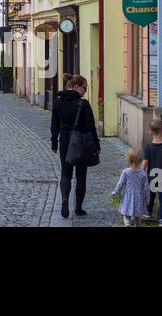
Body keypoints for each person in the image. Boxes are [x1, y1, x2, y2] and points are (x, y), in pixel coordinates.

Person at [49, 74, 99, 218]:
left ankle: (65, 199)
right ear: (76, 86)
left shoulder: (58, 102)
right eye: (85, 88)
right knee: (81, 176)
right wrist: (96, 144)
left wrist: (54, 142)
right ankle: (78, 208)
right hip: (81, 142)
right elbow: (91, 127)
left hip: (65, 142)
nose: (85, 91)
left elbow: (55, 124)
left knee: (66, 174)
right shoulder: (83, 104)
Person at [112, 149, 150, 226]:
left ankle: (127, 223)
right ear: (141, 160)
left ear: (128, 159)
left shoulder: (125, 172)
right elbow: (146, 188)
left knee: (126, 213)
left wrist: (115, 192)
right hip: (139, 197)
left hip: (127, 196)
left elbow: (120, 184)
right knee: (137, 216)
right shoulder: (143, 174)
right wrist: (148, 199)